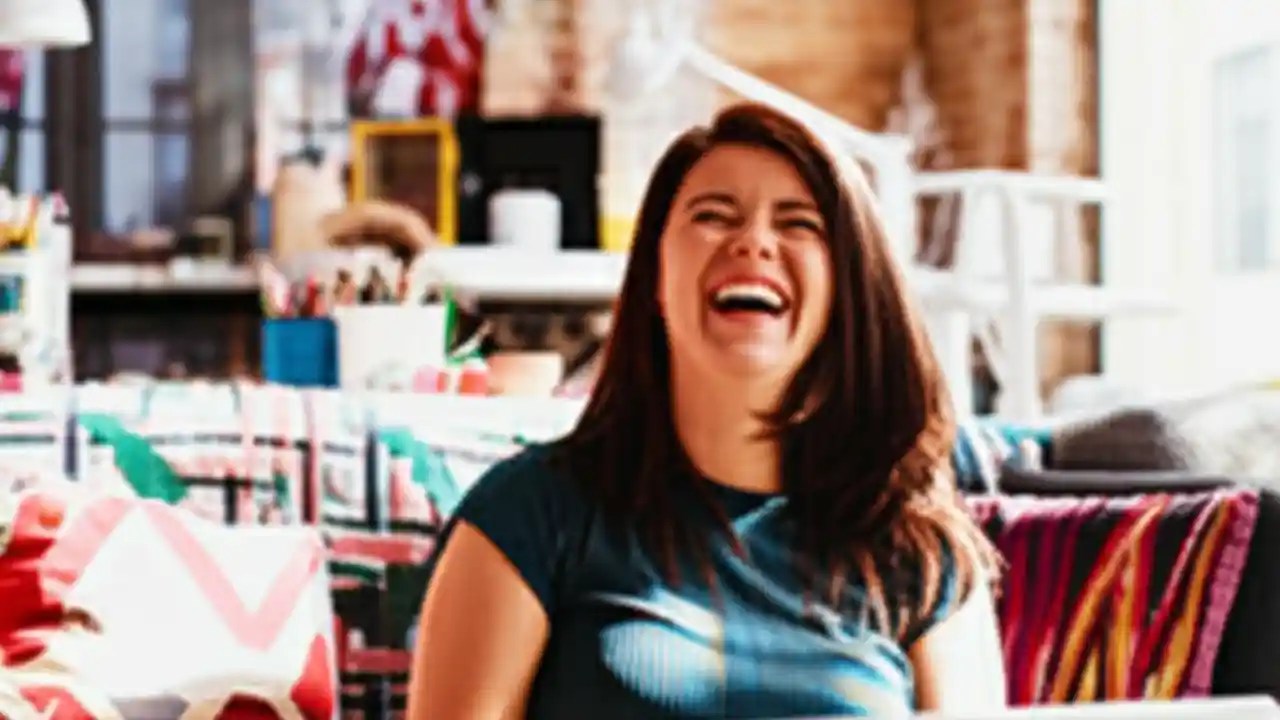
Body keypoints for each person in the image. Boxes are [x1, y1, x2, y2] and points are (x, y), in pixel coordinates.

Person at [408, 102, 1007, 719]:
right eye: (713, 217)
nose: (753, 242)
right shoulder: (525, 516)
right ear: (655, 278)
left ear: (849, 289)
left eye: (799, 224)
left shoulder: (920, 553)